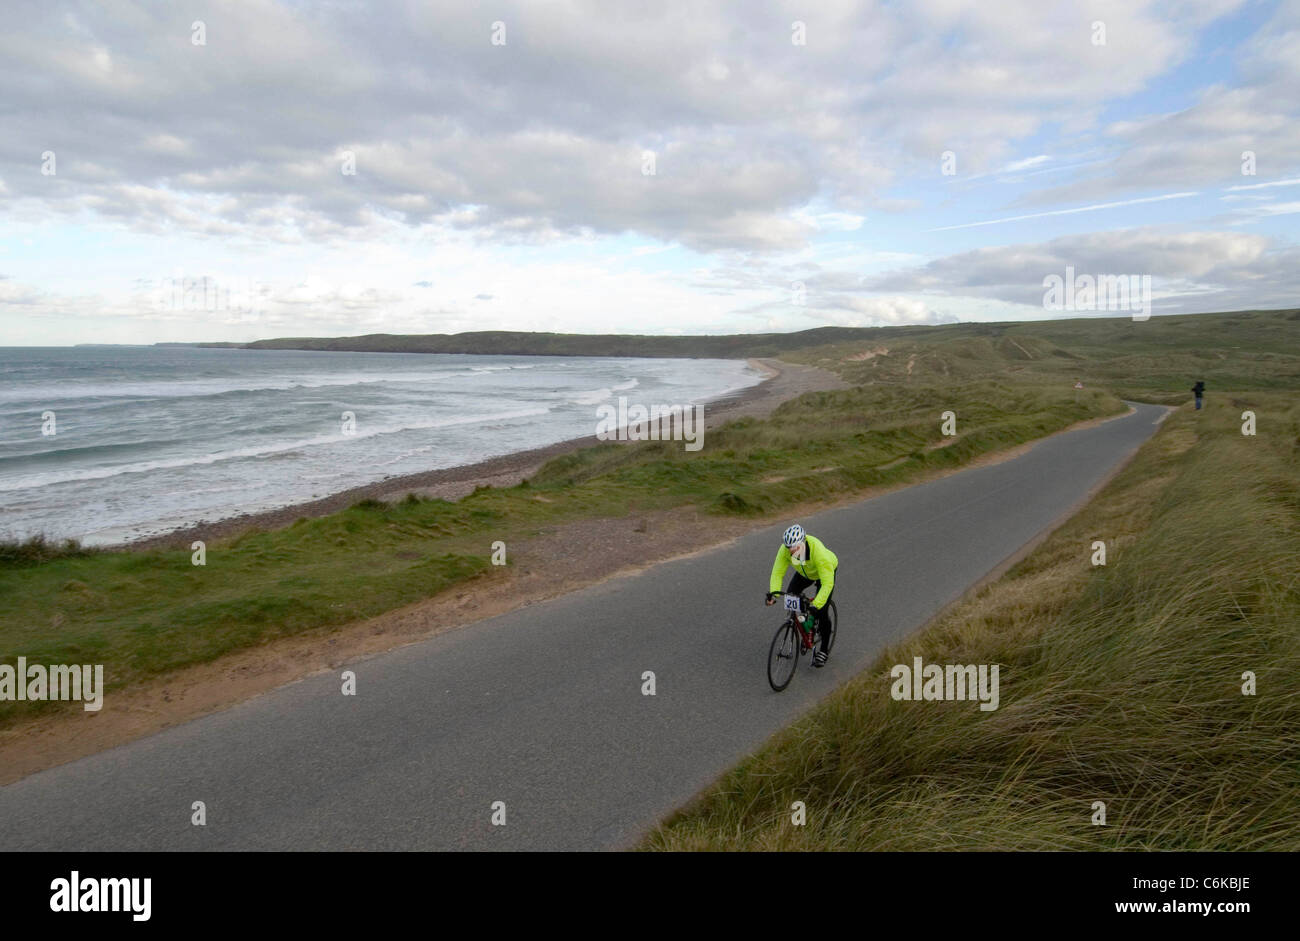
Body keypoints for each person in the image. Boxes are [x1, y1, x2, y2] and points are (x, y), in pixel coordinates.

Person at [766, 524, 839, 667]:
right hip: (804, 573)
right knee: (791, 596)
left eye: (796, 547)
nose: (792, 551)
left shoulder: (818, 552)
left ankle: (823, 649)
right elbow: (777, 572)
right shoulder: (785, 550)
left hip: (825, 572)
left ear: (803, 541)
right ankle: (806, 627)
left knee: (821, 611)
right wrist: (774, 594)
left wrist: (816, 606)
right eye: (789, 547)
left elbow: (827, 584)